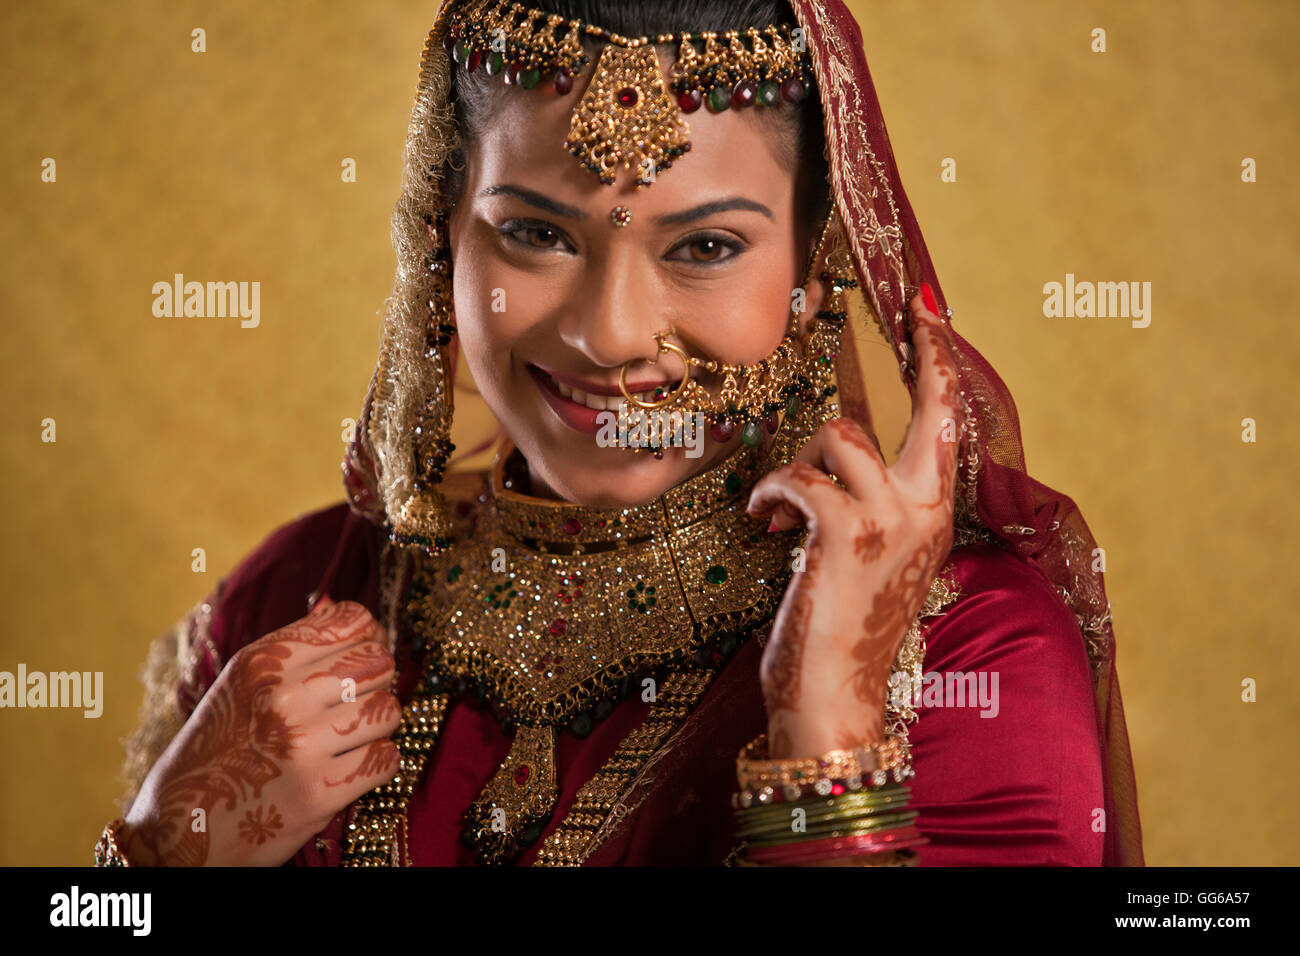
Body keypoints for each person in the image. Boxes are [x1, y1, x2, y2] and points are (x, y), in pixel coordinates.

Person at [96, 0, 1143, 867]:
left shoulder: (963, 647)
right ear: (439, 237)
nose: (607, 332)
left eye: (706, 245)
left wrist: (828, 728)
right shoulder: (301, 593)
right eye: (536, 234)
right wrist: (156, 851)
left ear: (813, 273)